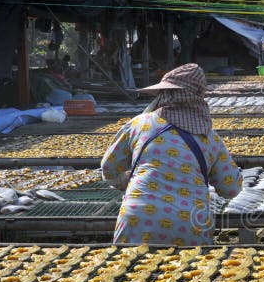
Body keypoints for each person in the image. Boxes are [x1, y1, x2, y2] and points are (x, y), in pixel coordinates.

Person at [101, 63, 242, 246]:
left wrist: (125, 180)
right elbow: (231, 189)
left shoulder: (138, 124)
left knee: (131, 264)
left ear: (164, 94)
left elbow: (109, 168)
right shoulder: (209, 138)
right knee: (193, 265)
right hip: (191, 224)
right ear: (198, 98)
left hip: (139, 220)